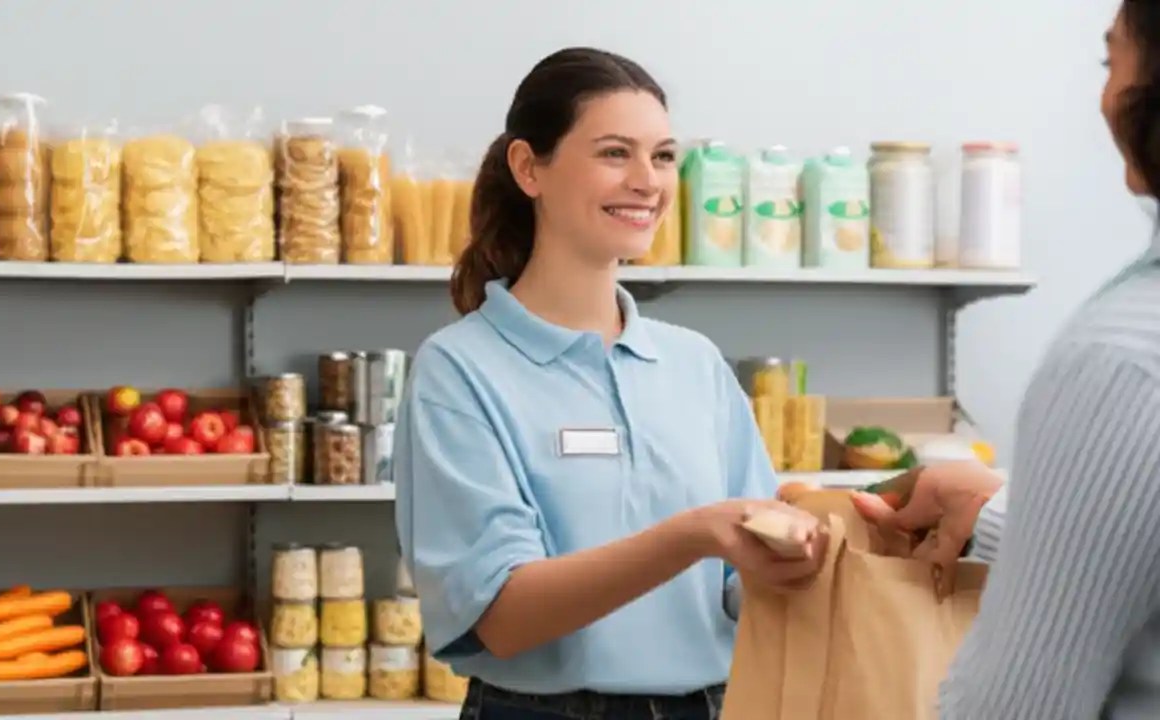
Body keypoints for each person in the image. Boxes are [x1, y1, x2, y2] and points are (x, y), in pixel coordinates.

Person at [392, 47, 827, 719]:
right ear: (528, 167)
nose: (647, 181)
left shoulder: (694, 364)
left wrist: (827, 544)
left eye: (661, 156)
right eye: (615, 153)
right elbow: (502, 617)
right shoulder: (459, 370)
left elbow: (742, 581)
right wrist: (694, 534)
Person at [854, 3, 1160, 717]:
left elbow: (1019, 704)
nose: (1105, 92)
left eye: (1111, 61)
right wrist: (994, 510)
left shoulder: (1120, 359)